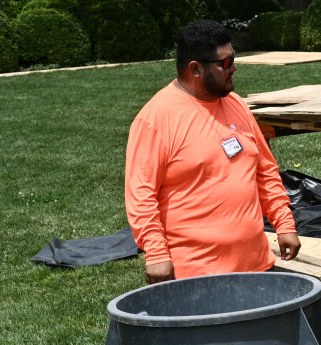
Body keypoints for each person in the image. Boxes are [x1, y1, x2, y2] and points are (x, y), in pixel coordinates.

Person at [123, 19, 300, 281]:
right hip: (196, 273)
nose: (234, 68)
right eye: (225, 64)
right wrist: (157, 254)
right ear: (195, 69)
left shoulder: (236, 104)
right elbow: (141, 195)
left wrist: (284, 222)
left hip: (256, 264)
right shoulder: (156, 118)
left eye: (233, 58)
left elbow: (265, 170)